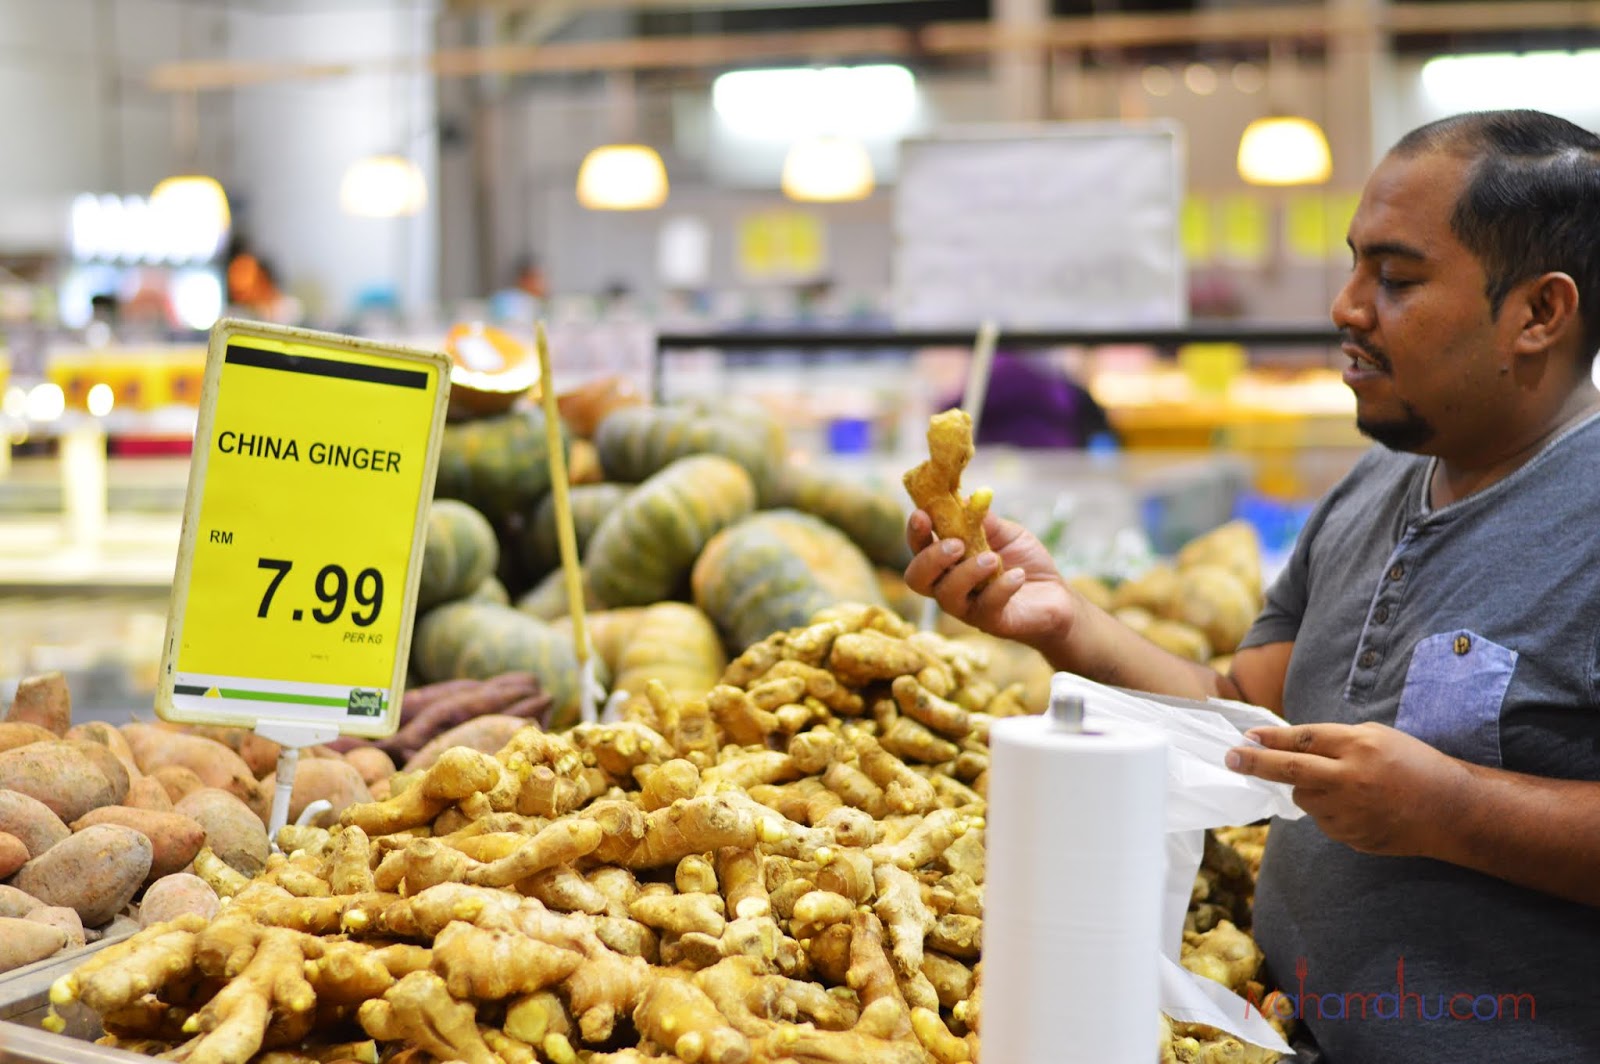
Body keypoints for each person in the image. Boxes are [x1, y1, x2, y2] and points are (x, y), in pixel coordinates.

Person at [904, 109, 1600, 1063]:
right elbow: (1242, 714)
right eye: (1355, 264)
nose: (1346, 306)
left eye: (1395, 279)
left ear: (1539, 313)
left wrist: (1454, 810)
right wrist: (1064, 623)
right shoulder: (1373, 485)